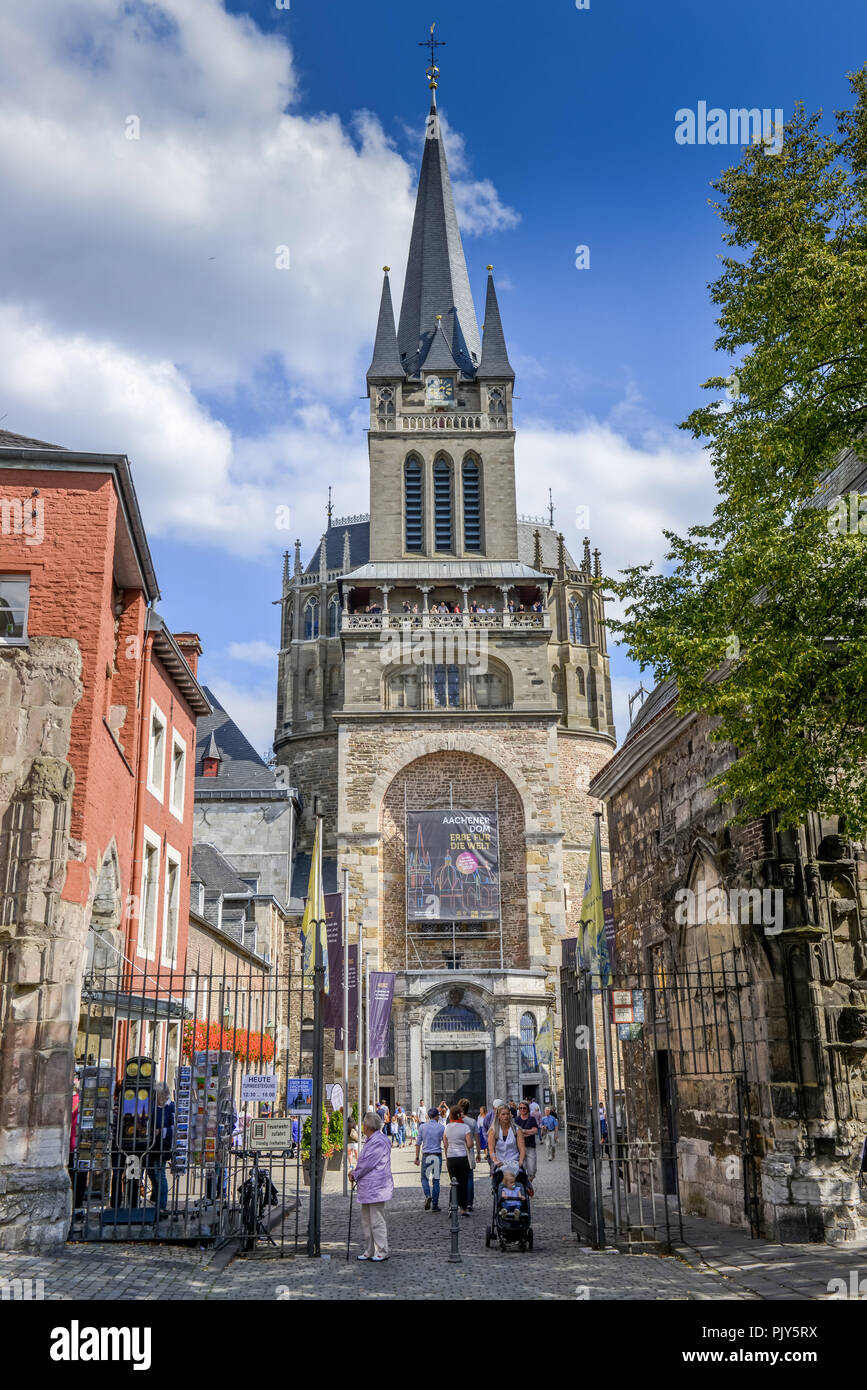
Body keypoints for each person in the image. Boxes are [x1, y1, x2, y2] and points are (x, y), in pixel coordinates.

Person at [350, 1111, 393, 1261]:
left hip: (376, 1186)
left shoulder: (378, 1141)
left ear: (368, 1126)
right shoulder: (372, 1140)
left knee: (376, 1220)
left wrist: (355, 1174)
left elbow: (368, 1163)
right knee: (367, 1220)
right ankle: (370, 1250)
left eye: (363, 1124)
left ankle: (381, 1250)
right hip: (369, 1187)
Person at [146, 1083, 174, 1213]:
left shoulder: (171, 1107)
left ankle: (162, 1204)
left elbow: (176, 1128)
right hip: (151, 1145)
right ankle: (155, 1197)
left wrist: (161, 1131)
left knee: (159, 1173)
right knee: (151, 1172)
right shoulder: (153, 1106)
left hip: (163, 1145)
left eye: (158, 1094)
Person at [488, 1103, 526, 1195]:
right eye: (503, 1114)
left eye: (508, 1114)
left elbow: (522, 1148)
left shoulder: (517, 1130)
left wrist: (521, 1161)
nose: (506, 1116)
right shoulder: (493, 1131)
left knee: (522, 1178)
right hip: (501, 1163)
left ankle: (526, 1189)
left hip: (514, 1162)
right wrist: (495, 1160)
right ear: (498, 1116)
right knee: (497, 1178)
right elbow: (491, 1149)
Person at [442, 1105, 473, 1217]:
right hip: (462, 1157)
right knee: (463, 1183)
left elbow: (445, 1144)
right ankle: (463, 1209)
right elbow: (469, 1144)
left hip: (451, 1158)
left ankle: (451, 1206)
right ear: (460, 1114)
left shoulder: (447, 1127)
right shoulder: (465, 1127)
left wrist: (447, 1157)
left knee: (453, 1183)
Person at [414, 1106, 445, 1211]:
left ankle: (428, 1195)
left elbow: (418, 1143)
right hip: (437, 1155)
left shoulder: (422, 1127)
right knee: (436, 1181)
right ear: (436, 1116)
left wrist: (417, 1157)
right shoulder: (441, 1127)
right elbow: (445, 1143)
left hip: (427, 1155)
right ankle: (435, 1205)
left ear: (428, 1116)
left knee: (424, 1178)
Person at [458, 1098, 481, 1211]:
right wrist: (478, 1153)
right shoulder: (472, 1121)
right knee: (469, 1179)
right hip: (469, 1153)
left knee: (457, 1179)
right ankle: (469, 1203)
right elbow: (477, 1138)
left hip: (456, 1153)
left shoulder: (454, 1121)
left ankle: (458, 1201)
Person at [515, 1101, 539, 1191]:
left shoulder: (531, 1119)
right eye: (520, 1108)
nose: (522, 1110)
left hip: (530, 1146)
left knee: (532, 1170)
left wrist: (523, 1131)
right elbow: (516, 1134)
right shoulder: (516, 1120)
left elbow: (535, 1131)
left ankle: (528, 1183)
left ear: (528, 1109)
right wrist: (528, 1131)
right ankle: (525, 1188)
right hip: (519, 1148)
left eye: (524, 1108)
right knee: (522, 1169)